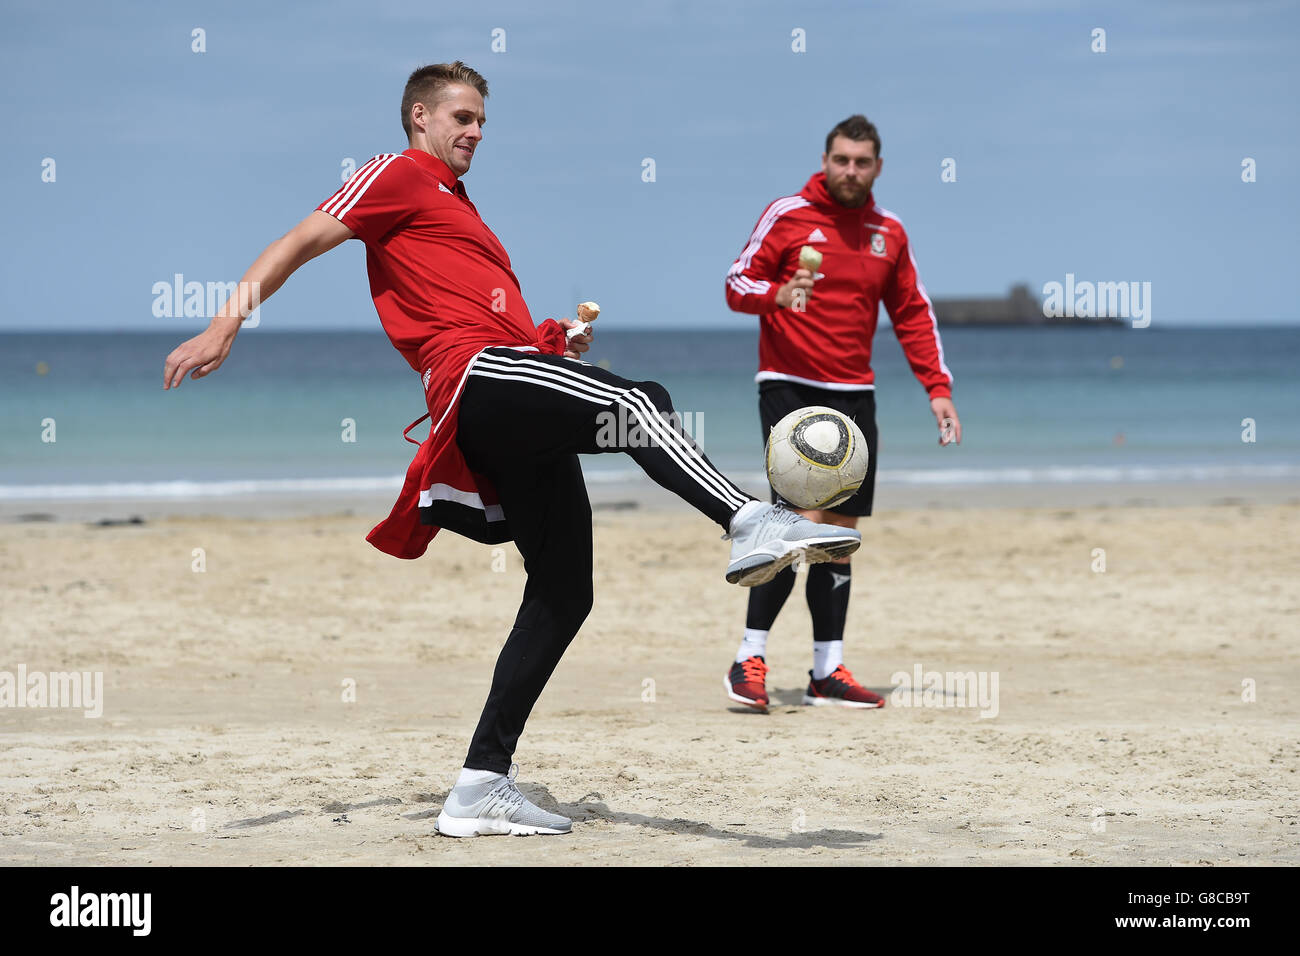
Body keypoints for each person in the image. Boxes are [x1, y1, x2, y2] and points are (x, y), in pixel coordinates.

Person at [162, 62, 861, 837]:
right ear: (419, 116)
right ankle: (746, 519)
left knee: (570, 580)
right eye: (462, 117)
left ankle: (479, 785)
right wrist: (227, 320)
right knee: (636, 400)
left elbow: (471, 306)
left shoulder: (459, 207)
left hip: (511, 382)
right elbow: (298, 240)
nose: (475, 133)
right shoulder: (395, 173)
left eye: (483, 122)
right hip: (474, 382)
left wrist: (552, 342)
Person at [722, 114, 961, 713]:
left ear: (877, 167)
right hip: (789, 385)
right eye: (840, 160)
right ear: (825, 161)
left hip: (854, 393)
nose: (849, 171)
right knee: (789, 524)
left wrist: (937, 388)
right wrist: (777, 294)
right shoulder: (788, 215)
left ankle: (826, 670)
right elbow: (735, 283)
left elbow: (911, 313)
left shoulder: (889, 231)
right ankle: (748, 657)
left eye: (861, 162)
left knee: (840, 536)